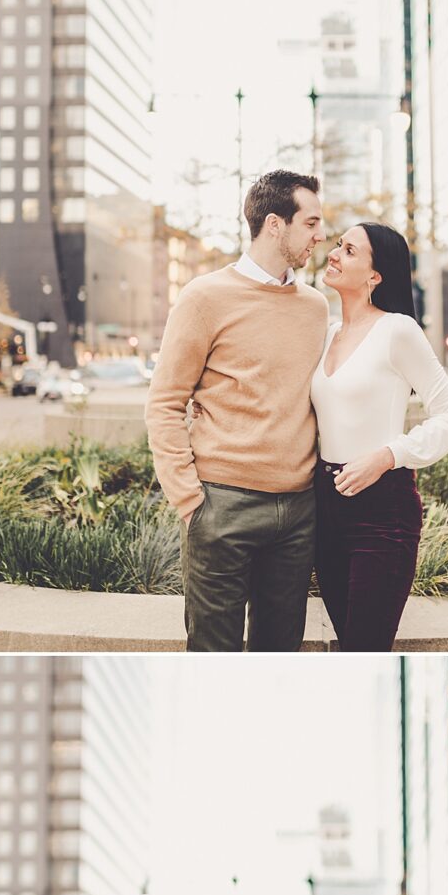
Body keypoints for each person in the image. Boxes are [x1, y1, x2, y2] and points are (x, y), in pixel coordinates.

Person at [145, 171, 329, 652]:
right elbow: (165, 402)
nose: (320, 235)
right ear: (275, 224)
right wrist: (190, 502)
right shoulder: (204, 297)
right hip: (222, 507)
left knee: (279, 654)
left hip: (297, 513)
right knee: (213, 655)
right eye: (310, 223)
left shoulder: (315, 307)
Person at [314, 225, 448, 651]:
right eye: (337, 245)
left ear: (375, 275)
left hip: (381, 513)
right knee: (352, 646)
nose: (334, 254)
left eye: (348, 250)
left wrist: (387, 456)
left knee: (365, 649)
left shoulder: (398, 331)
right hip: (324, 510)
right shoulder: (325, 332)